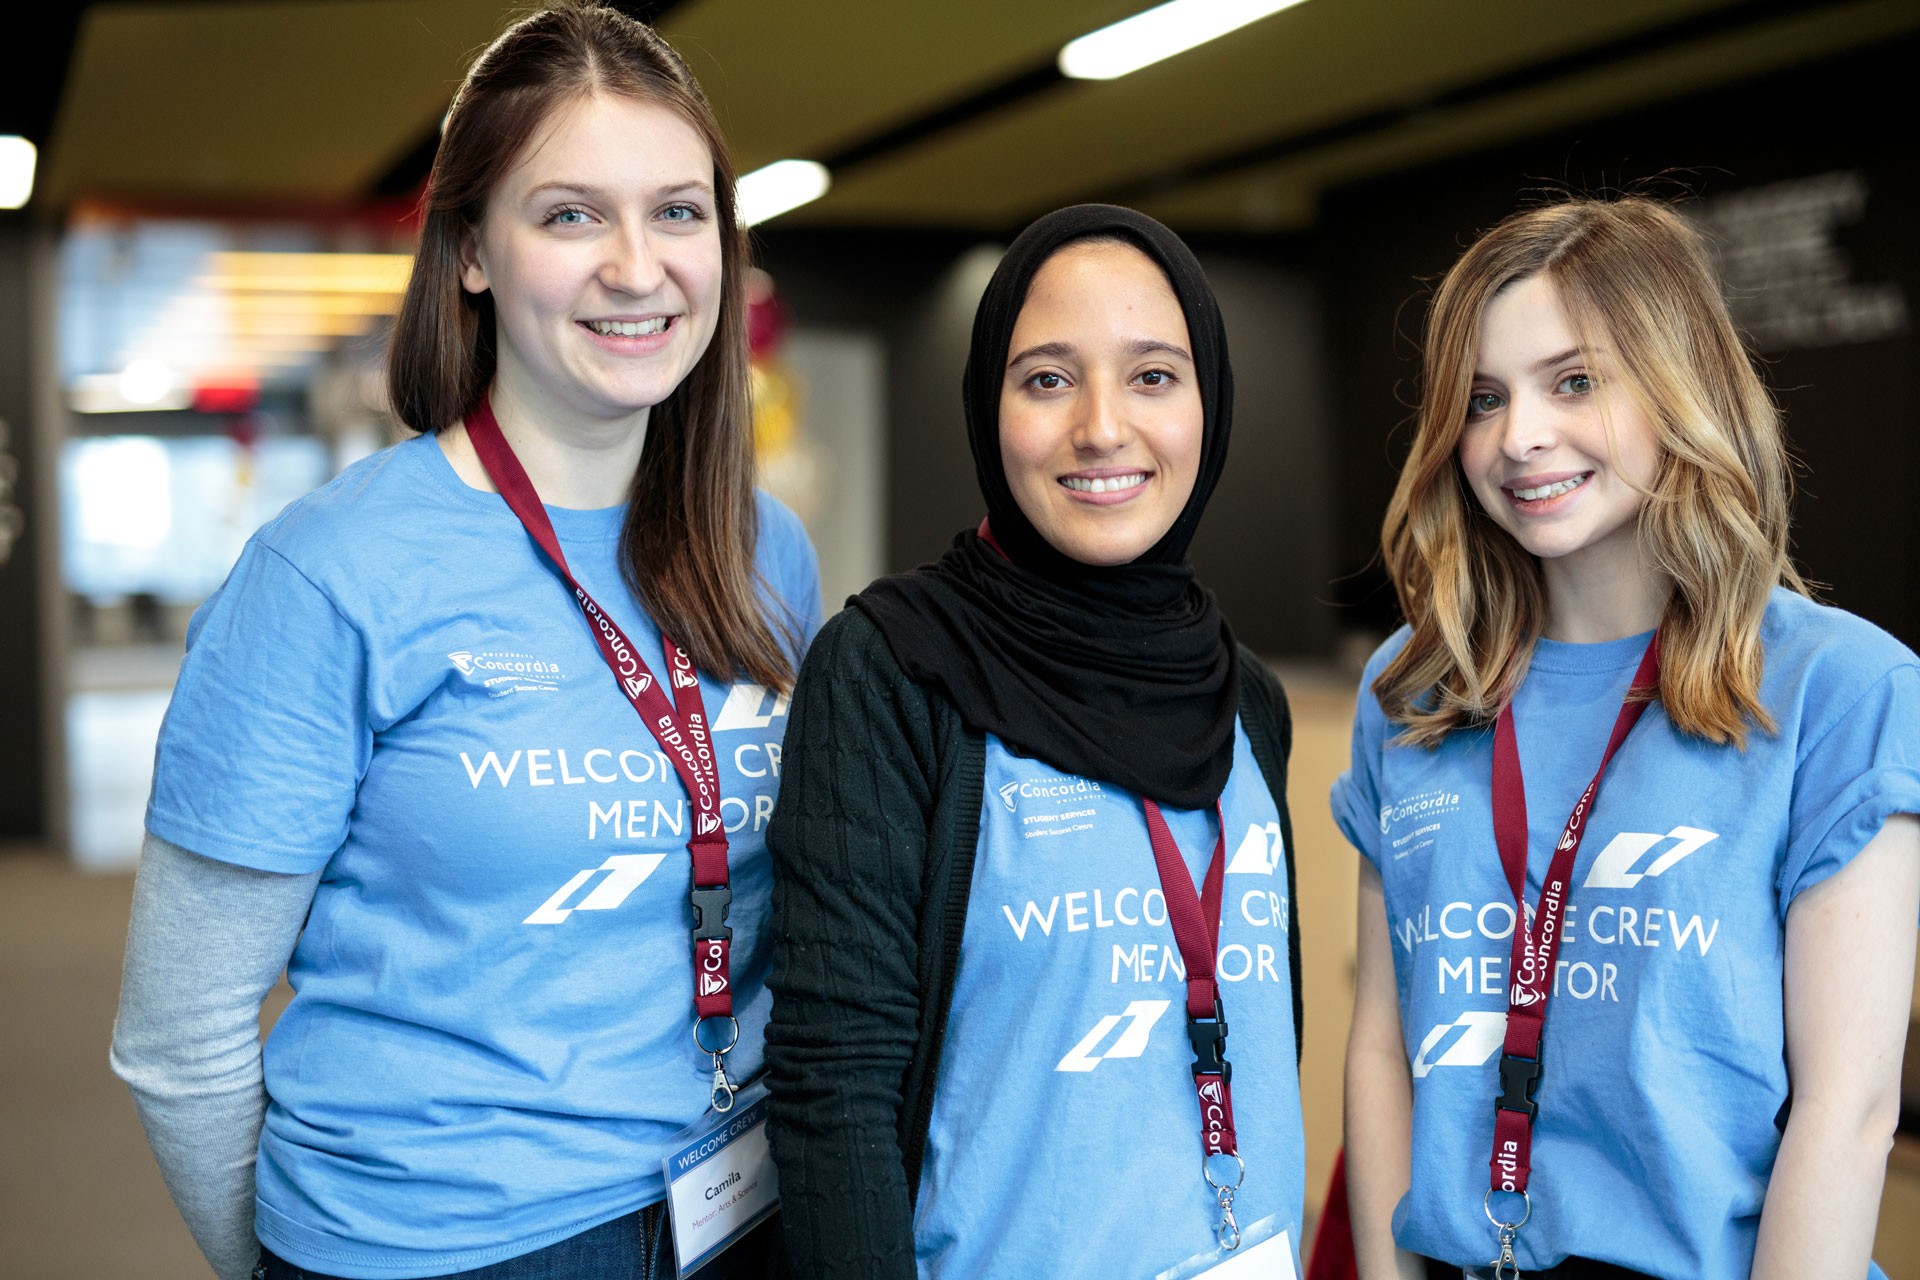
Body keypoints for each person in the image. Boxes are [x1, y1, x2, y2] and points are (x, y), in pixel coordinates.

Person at [109, 5, 821, 1278]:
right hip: (449, 1246)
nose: (637, 265)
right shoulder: (328, 574)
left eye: (677, 209)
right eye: (569, 214)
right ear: (473, 251)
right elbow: (182, 1030)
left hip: (742, 1202)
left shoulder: (766, 551)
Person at [1334, 195, 1920, 1279]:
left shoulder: (1840, 686)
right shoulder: (1409, 686)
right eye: (1483, 398)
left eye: (1575, 382)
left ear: (1676, 383)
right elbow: (1380, 1048)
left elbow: (1848, 1108)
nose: (1520, 437)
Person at [765, 204, 1307, 1280]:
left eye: (1153, 375)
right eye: (1048, 378)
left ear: (1212, 402)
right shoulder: (892, 671)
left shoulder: (1244, 696)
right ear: (986, 403)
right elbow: (836, 1094)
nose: (1102, 426)